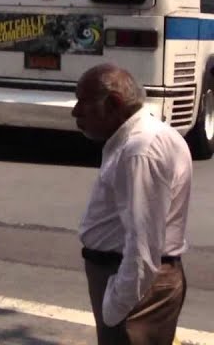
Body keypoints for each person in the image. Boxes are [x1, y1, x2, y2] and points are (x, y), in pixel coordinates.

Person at [73, 63, 192, 344]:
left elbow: (144, 246)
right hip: (129, 281)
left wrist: (116, 307)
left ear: (113, 104)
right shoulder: (139, 140)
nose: (75, 112)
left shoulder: (140, 150)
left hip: (133, 287)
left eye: (84, 103)